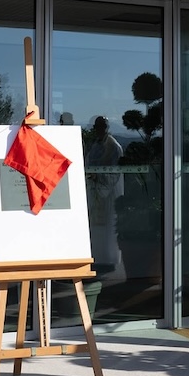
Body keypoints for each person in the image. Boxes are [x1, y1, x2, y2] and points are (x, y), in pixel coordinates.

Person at [86, 115, 123, 272]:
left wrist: (98, 178)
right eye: (97, 127)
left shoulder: (113, 147)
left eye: (102, 127)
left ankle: (108, 259)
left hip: (107, 193)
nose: (99, 130)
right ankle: (96, 256)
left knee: (108, 227)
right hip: (95, 189)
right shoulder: (95, 145)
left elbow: (114, 172)